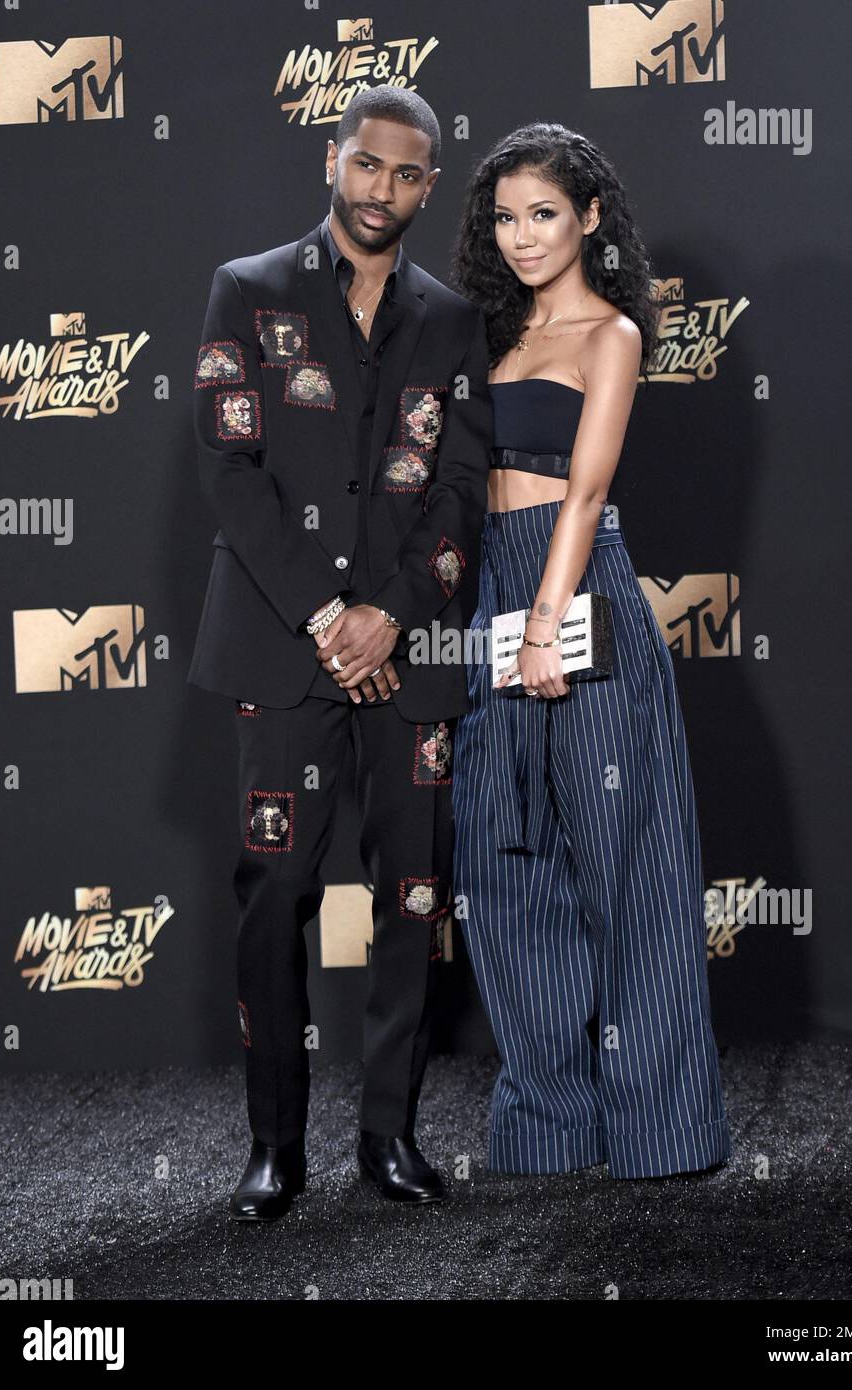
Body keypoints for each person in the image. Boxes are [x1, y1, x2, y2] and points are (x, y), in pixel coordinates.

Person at [187, 86, 492, 1218]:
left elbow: (459, 494)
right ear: (334, 158)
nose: (383, 193)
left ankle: (390, 1136)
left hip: (407, 654)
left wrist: (391, 617)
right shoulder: (247, 288)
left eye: (409, 176)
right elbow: (231, 472)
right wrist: (329, 615)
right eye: (368, 166)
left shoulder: (453, 321)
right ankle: (274, 1145)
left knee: (412, 897)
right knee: (276, 892)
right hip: (282, 647)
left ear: (427, 188)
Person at [450, 123, 732, 1179]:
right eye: (505, 217)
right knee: (502, 860)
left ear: (589, 220)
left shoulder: (608, 333)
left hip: (575, 592)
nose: (522, 237)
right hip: (488, 592)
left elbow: (585, 487)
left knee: (629, 868)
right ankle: (546, 1127)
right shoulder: (482, 335)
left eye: (544, 215)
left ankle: (660, 1134)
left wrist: (538, 620)